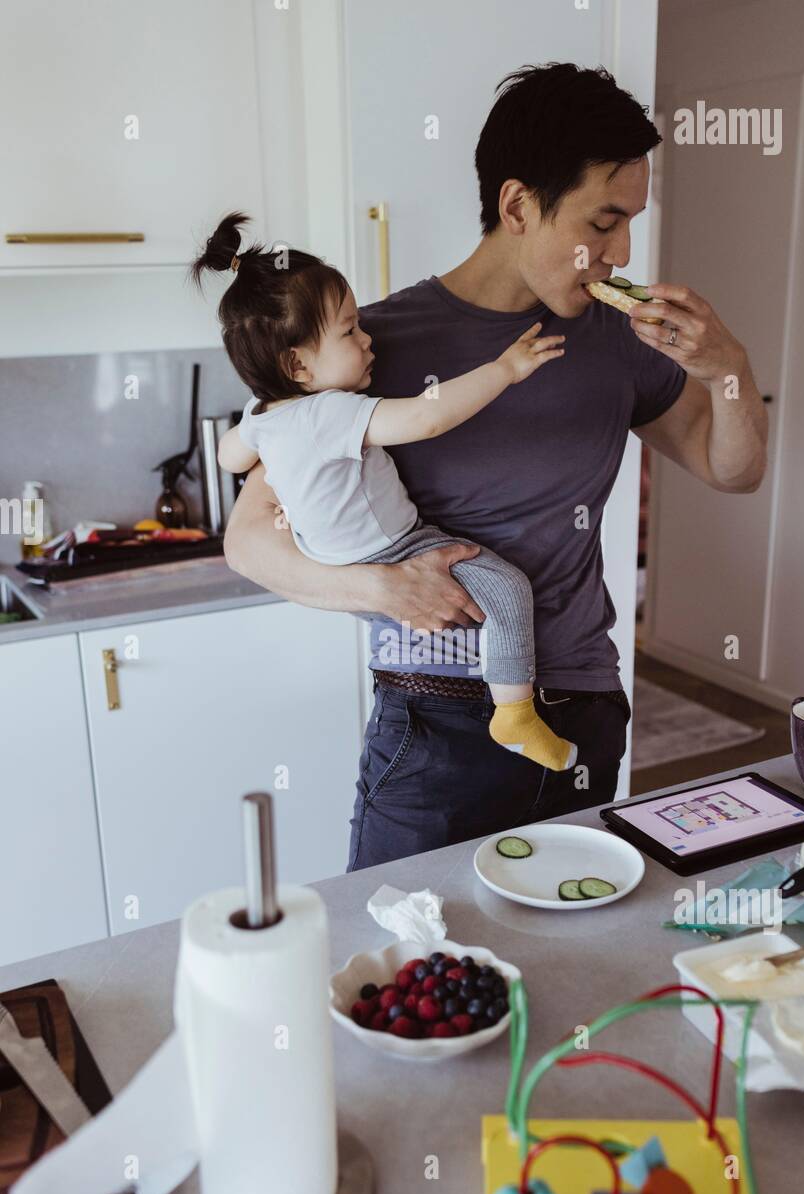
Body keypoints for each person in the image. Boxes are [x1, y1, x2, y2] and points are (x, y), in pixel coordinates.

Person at [222, 64, 768, 872]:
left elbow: (733, 471)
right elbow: (248, 540)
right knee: (407, 961)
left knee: (576, 964)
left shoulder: (616, 339)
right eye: (605, 222)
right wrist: (382, 588)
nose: (620, 254)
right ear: (518, 206)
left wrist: (729, 365)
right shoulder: (373, 346)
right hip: (438, 724)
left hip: (584, 715)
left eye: (630, 227)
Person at [191, 212, 576, 772]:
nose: (368, 338)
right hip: (392, 549)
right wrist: (505, 370)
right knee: (509, 588)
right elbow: (426, 418)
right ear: (297, 363)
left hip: (334, 558)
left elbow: (229, 457)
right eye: (349, 331)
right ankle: (513, 711)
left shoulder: (263, 416)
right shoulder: (330, 411)